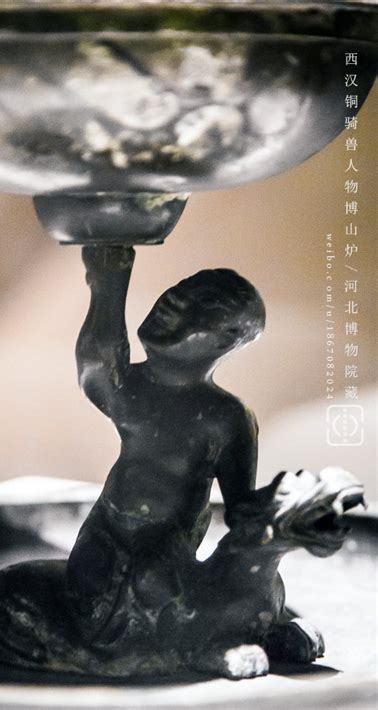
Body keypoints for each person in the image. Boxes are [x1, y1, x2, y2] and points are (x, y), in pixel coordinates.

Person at [66, 245, 266, 645]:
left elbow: (242, 510)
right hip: (107, 526)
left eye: (205, 302)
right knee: (84, 591)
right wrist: (110, 282)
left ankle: (235, 630)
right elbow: (98, 369)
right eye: (183, 287)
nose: (176, 297)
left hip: (167, 541)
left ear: (226, 338)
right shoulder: (137, 388)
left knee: (156, 585)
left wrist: (282, 517)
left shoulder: (225, 418)